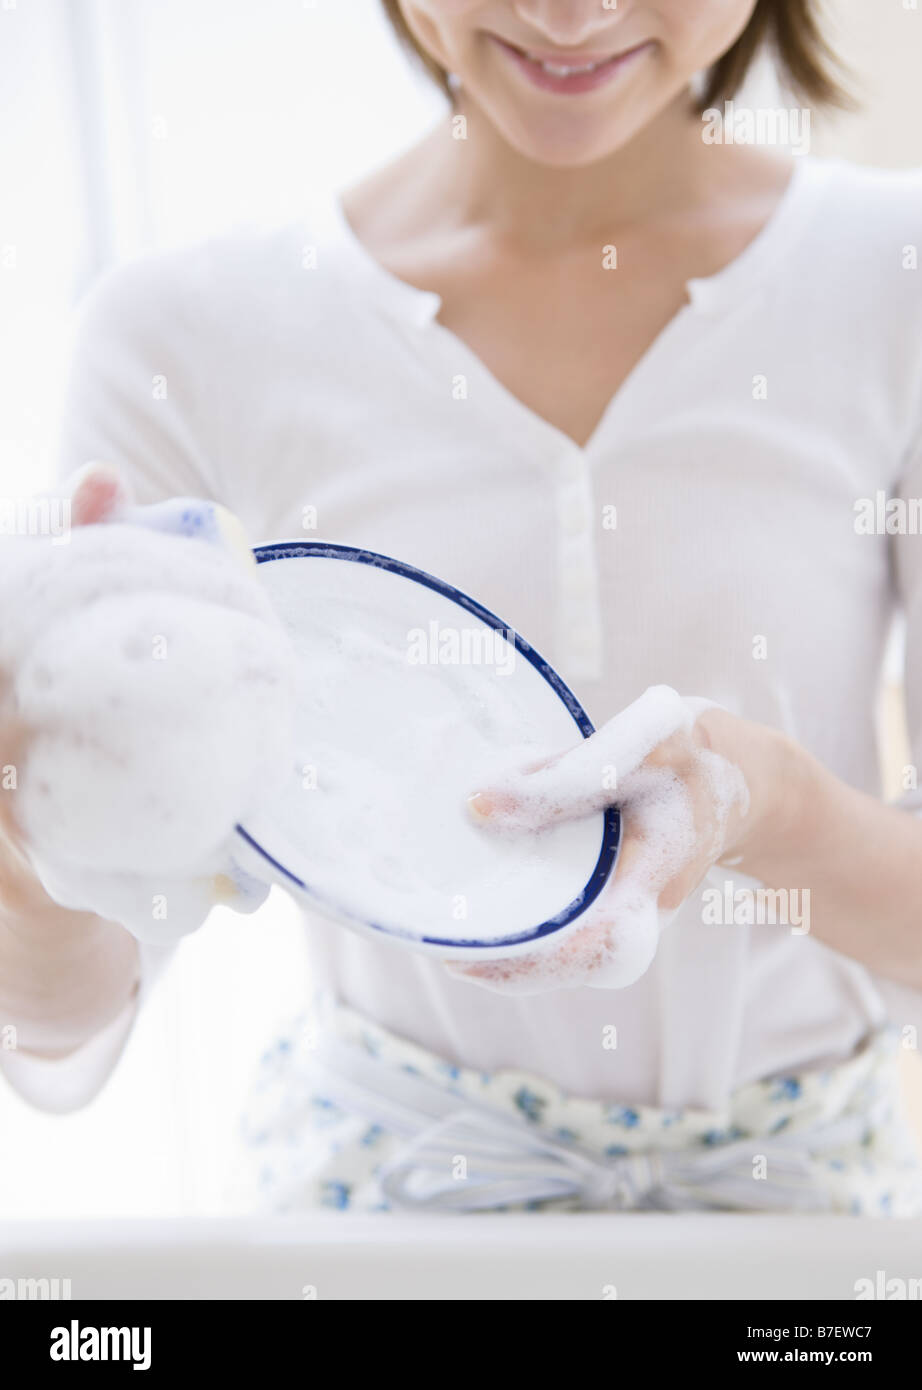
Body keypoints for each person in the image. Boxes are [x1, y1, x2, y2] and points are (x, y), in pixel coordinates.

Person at [3, 0, 922, 1214]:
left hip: (799, 1240)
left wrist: (770, 808)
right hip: (386, 1232)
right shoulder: (182, 331)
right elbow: (71, 1006)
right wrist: (23, 829)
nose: (571, 11)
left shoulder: (891, 277)